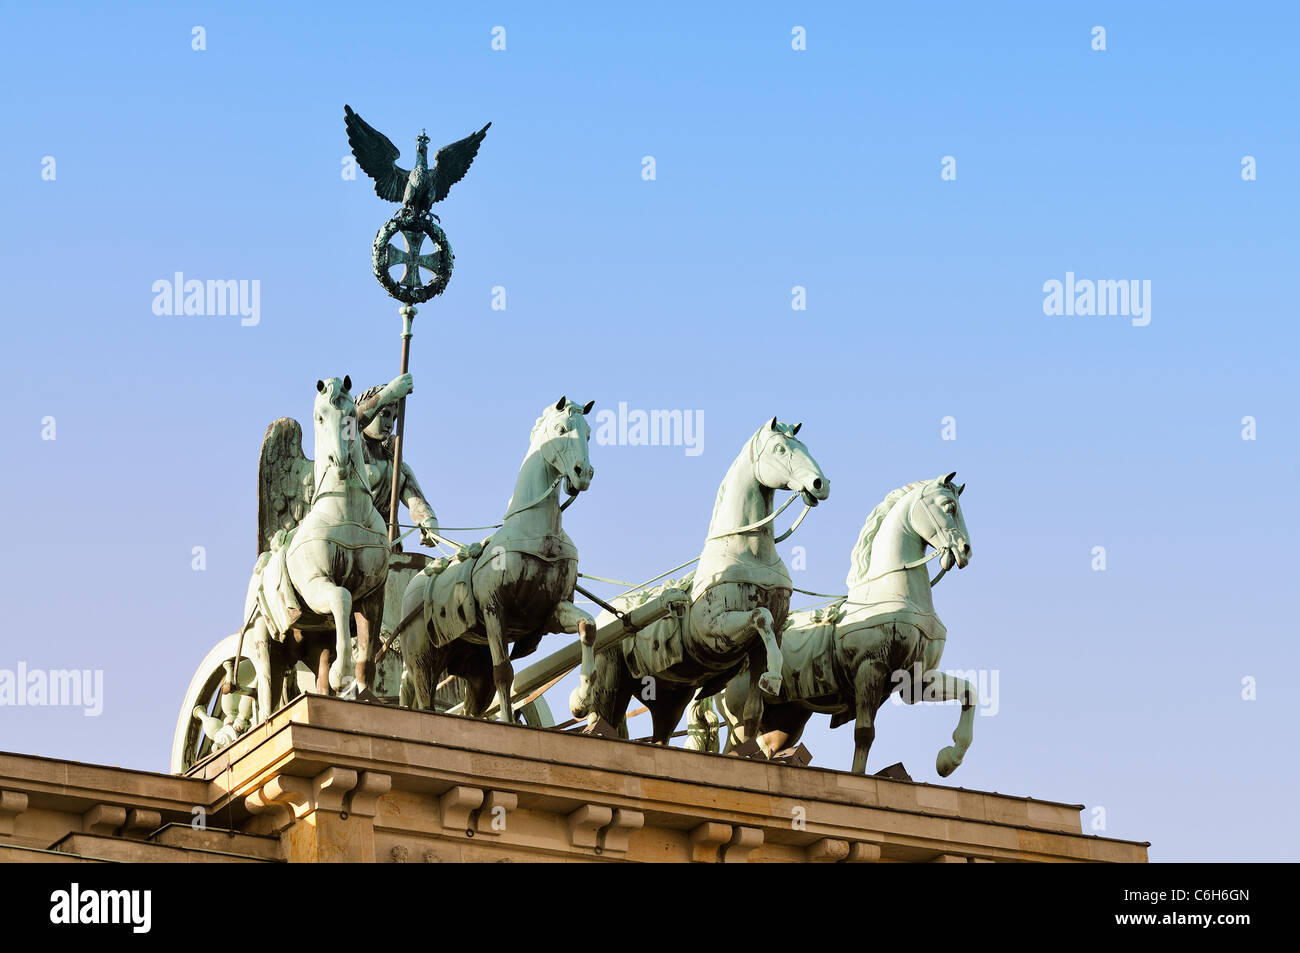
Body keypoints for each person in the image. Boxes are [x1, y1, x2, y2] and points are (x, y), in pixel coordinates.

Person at [354, 373, 439, 546]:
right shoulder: (347, 452)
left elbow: (415, 499)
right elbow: (349, 422)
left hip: (387, 545)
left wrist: (428, 521)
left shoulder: (396, 464)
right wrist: (390, 393)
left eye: (393, 417)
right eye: (384, 414)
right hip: (352, 543)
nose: (389, 424)